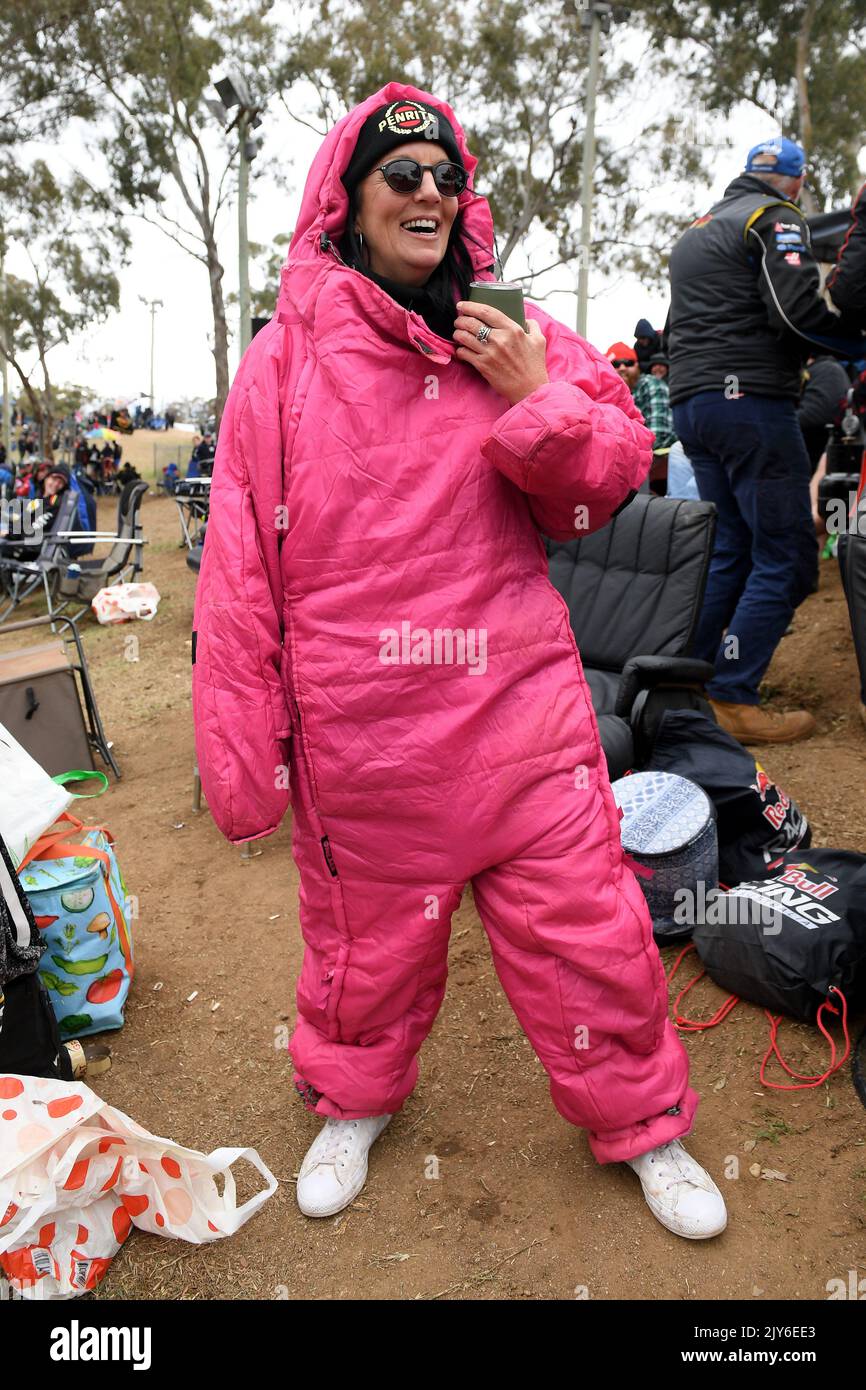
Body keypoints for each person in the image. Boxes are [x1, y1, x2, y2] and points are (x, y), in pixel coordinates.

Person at [192, 84, 727, 1241]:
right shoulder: (282, 364)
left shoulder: (509, 331)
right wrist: (246, 765)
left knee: (587, 935)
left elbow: (606, 483)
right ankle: (352, 1097)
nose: (429, 190)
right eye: (401, 174)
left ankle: (643, 1124)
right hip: (366, 740)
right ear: (349, 203)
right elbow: (237, 575)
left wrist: (532, 399)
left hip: (520, 715)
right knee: (362, 956)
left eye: (445, 174)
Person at [668, 137, 866, 745]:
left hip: (693, 405)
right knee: (787, 555)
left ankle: (687, 685)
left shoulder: (697, 229)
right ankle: (733, 692)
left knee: (731, 547)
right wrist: (854, 346)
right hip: (750, 402)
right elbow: (795, 310)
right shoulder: (773, 218)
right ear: (797, 182)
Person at [607, 342, 676, 494]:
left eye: (628, 363)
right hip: (626, 464)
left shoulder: (650, 384)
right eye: (616, 364)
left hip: (659, 462)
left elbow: (658, 436)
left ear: (637, 366)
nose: (623, 368)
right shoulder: (608, 395)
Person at [798, 354, 851, 473]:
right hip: (813, 463)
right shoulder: (825, 369)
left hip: (819, 464)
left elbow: (817, 414)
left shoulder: (827, 370)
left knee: (852, 492)